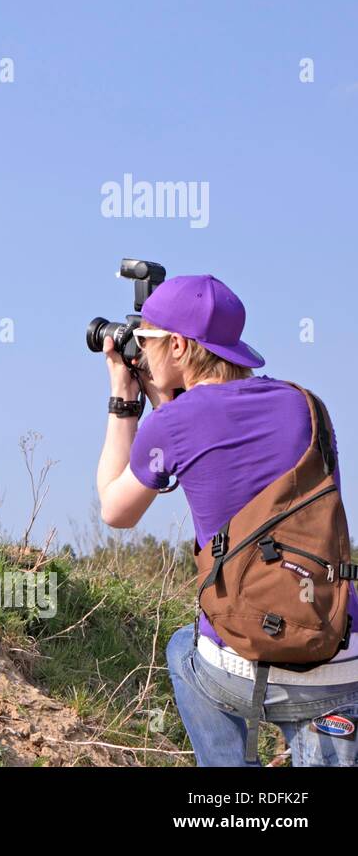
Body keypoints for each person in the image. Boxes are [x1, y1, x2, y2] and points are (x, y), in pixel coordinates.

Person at [95, 273, 358, 766]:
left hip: (236, 666)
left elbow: (115, 511)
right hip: (339, 658)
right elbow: (227, 443)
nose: (143, 351)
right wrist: (167, 404)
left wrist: (123, 400)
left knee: (182, 648)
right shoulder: (308, 406)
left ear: (176, 345)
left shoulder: (171, 424)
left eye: (147, 340)